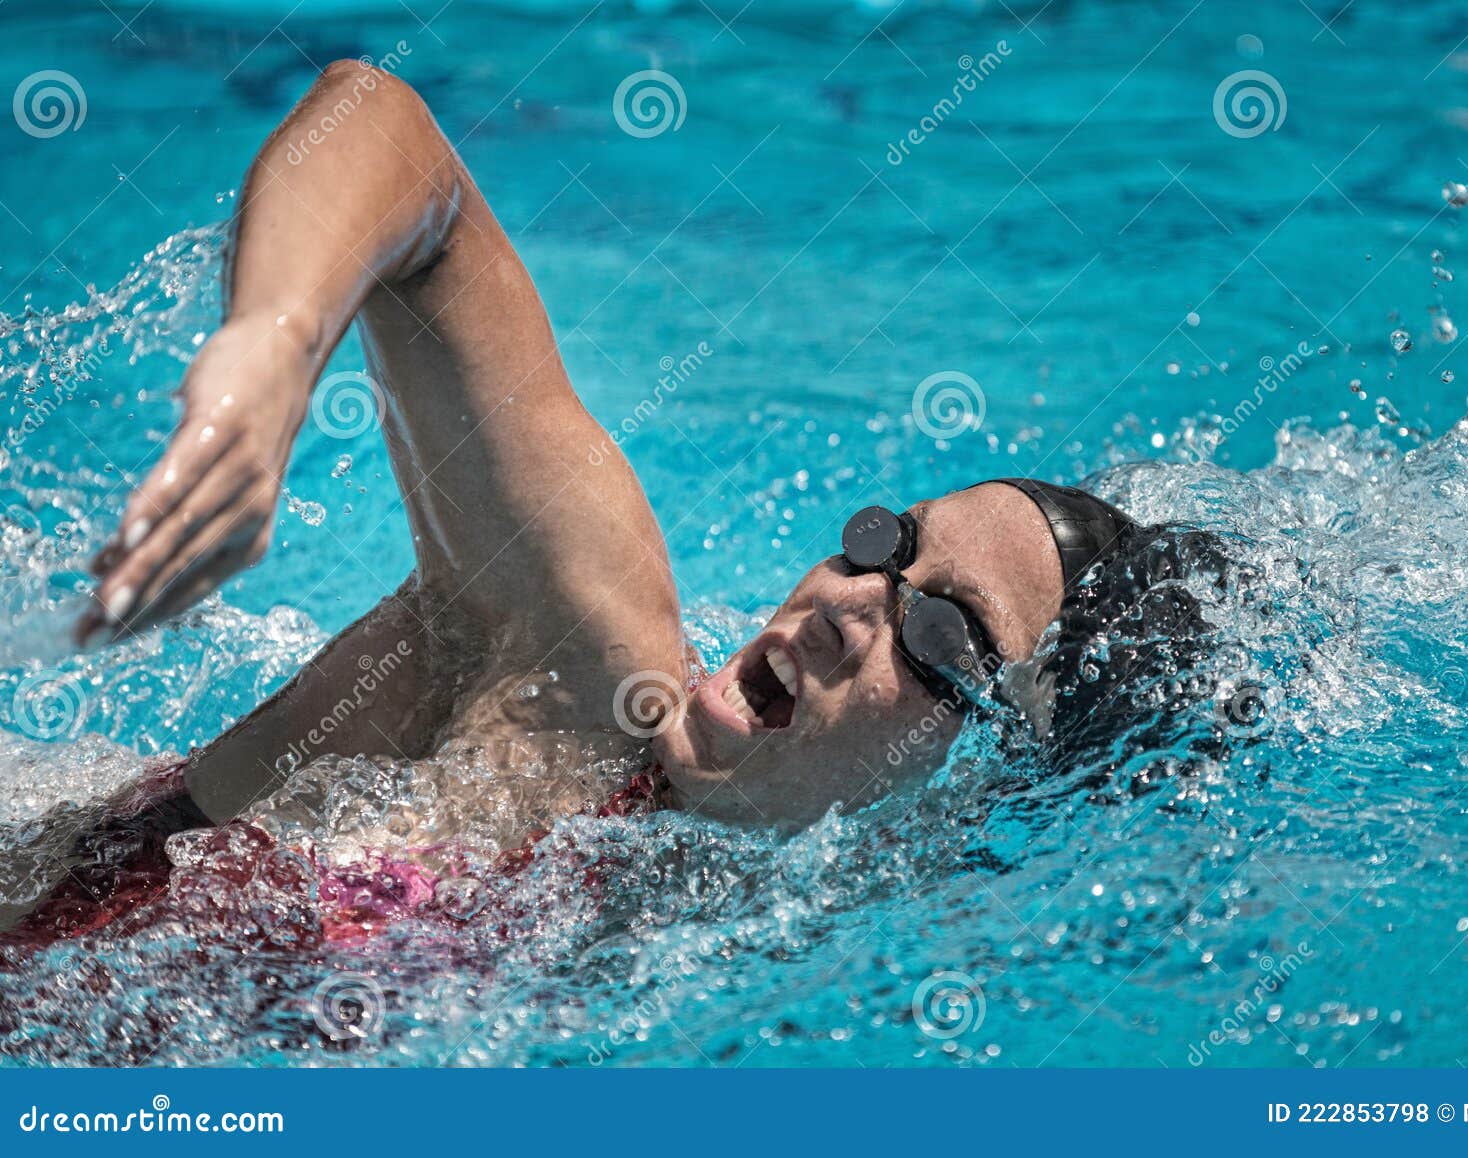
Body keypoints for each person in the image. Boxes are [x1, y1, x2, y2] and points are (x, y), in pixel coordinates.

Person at [3, 62, 1219, 938]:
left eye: (944, 633)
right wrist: (273, 346)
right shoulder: (587, 686)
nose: (849, 605)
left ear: (998, 775)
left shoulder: (769, 938)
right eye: (881, 548)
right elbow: (391, 139)